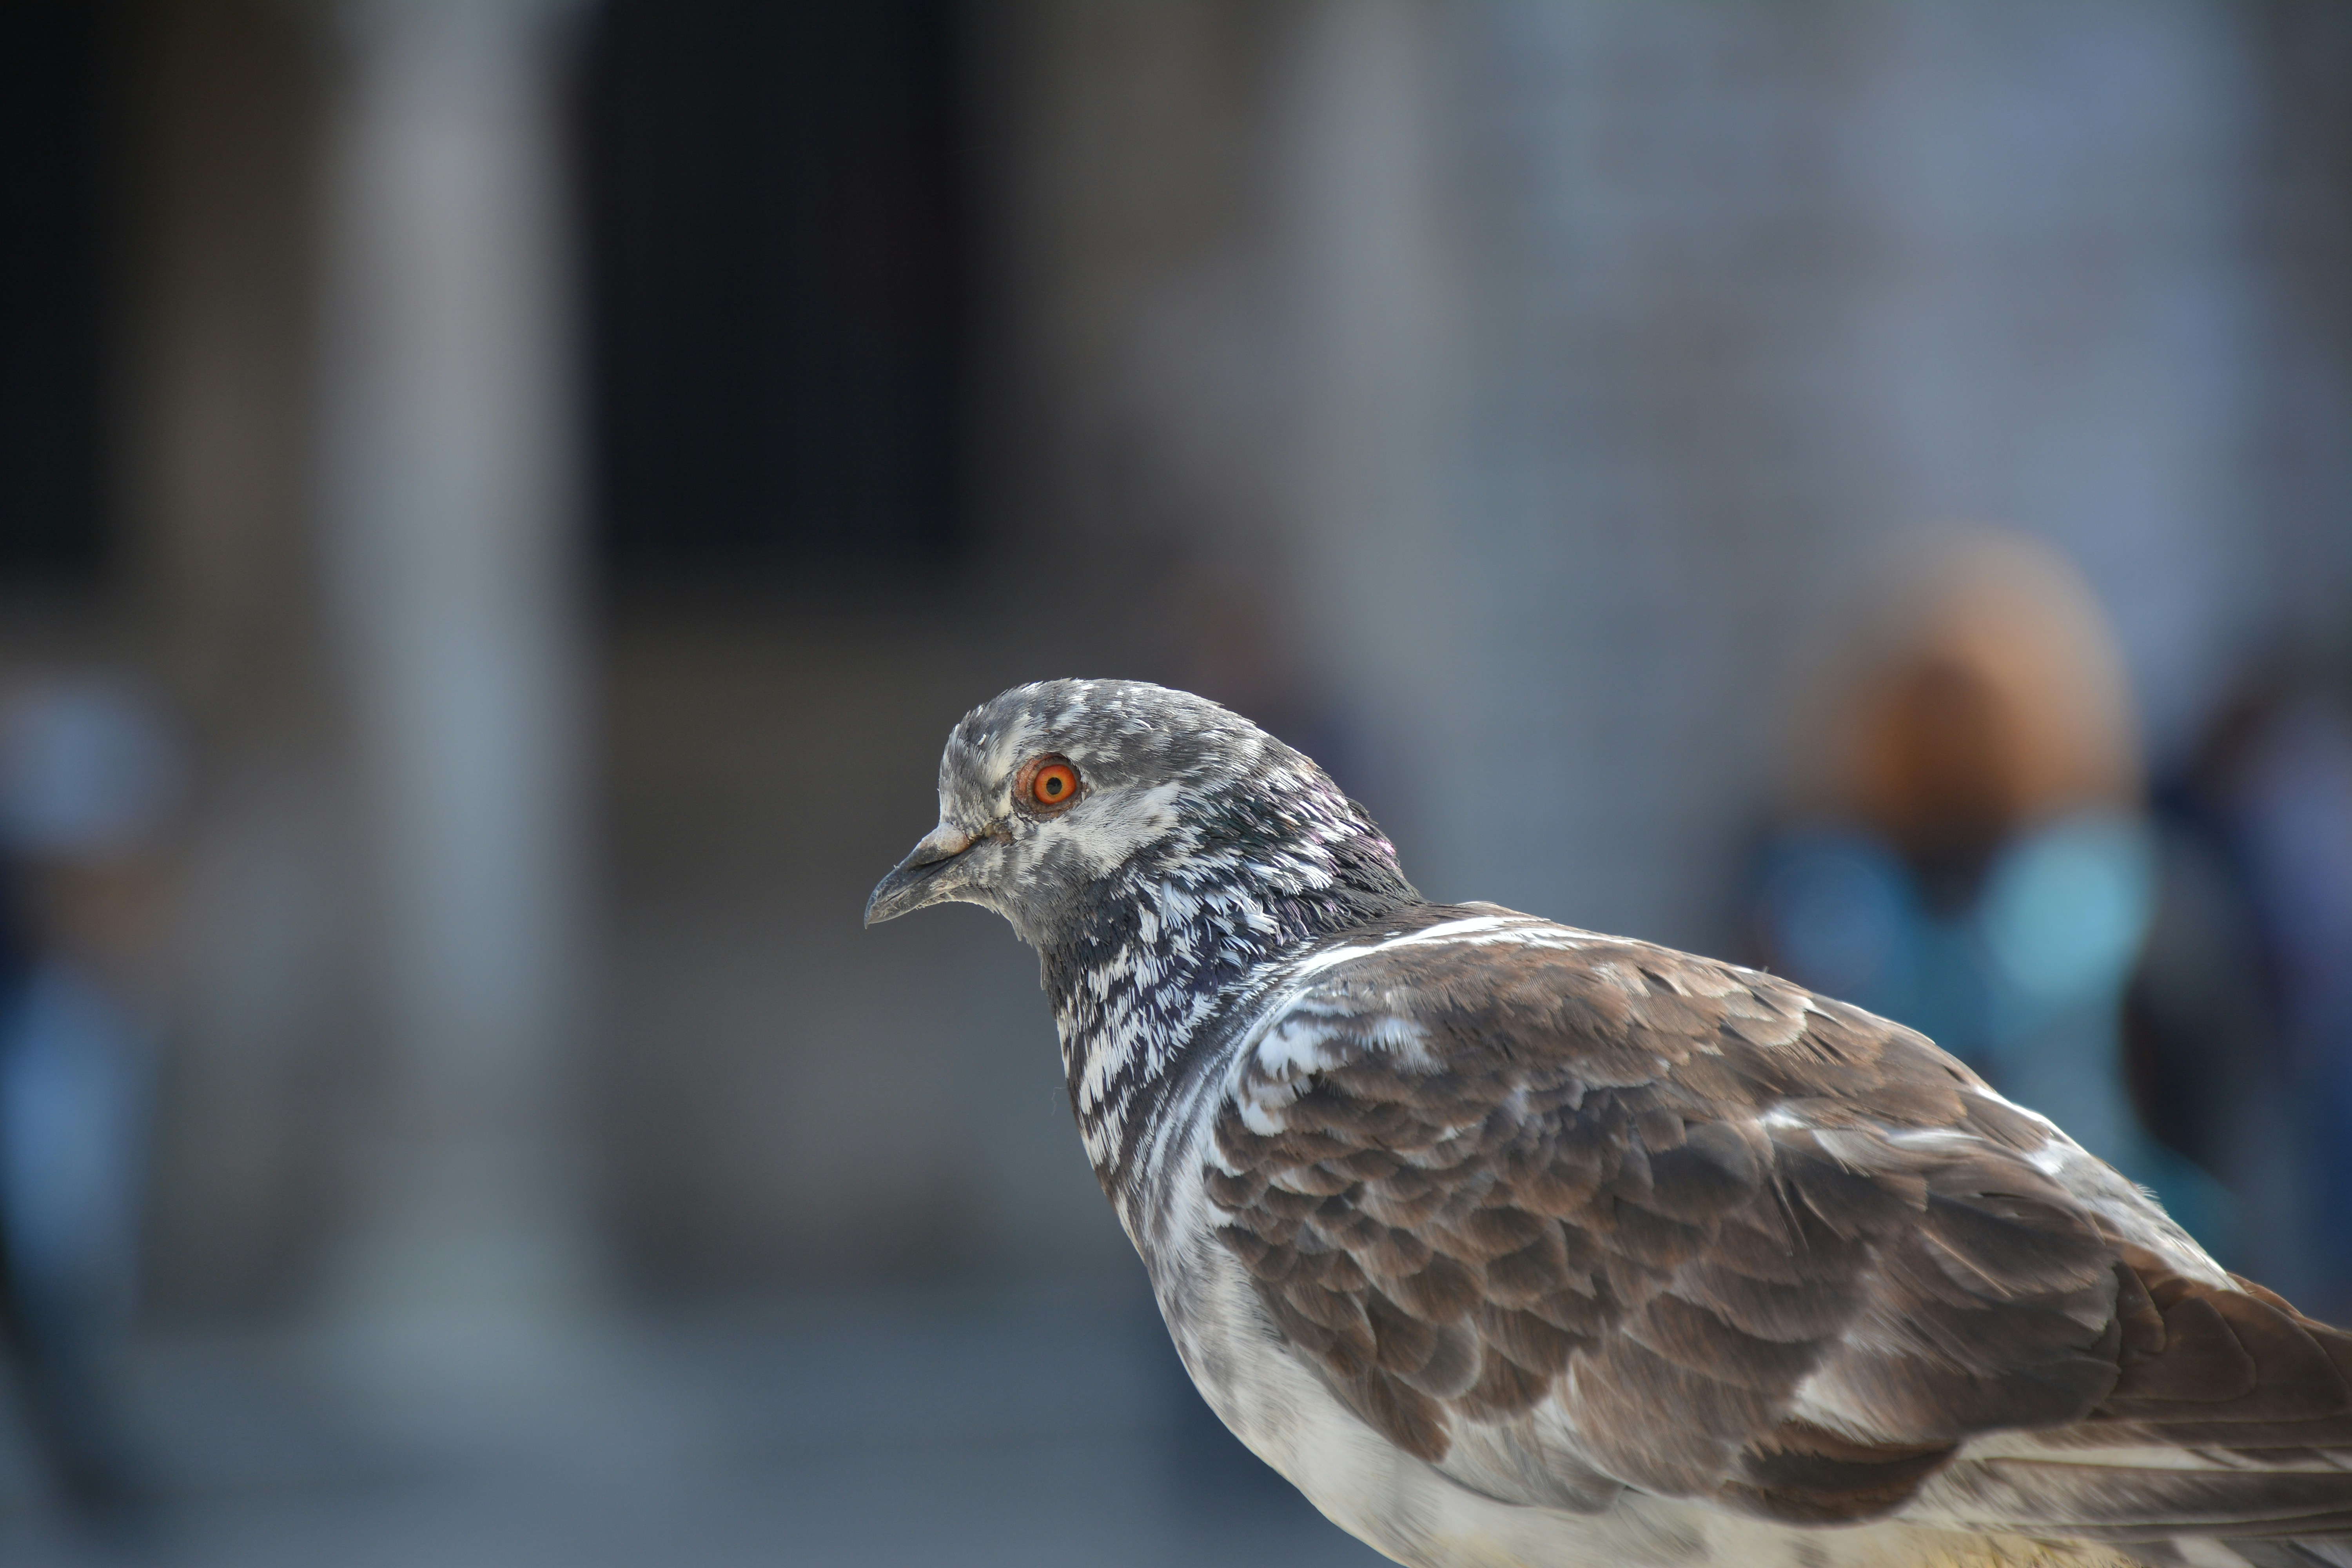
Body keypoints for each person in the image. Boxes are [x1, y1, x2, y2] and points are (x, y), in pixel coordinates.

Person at [1746, 533, 2238, 1254]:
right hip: (2091, 1264)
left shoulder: (1802, 896)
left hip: (1870, 1261)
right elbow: (2206, 1119)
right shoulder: (2135, 894)